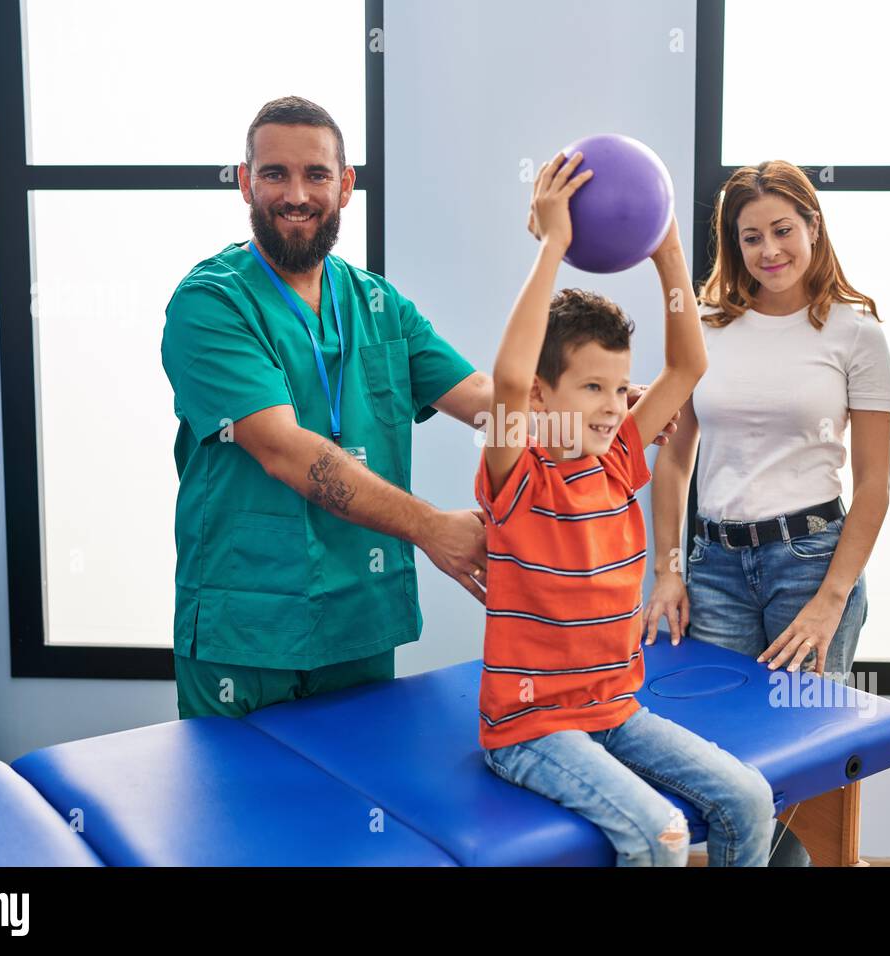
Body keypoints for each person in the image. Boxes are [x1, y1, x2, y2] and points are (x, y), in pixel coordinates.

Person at [161, 97, 676, 720]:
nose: (297, 194)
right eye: (275, 174)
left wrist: (607, 414)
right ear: (246, 182)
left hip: (359, 620)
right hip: (246, 627)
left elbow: (490, 403)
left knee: (363, 807)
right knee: (237, 811)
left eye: (317, 174)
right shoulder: (211, 304)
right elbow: (285, 450)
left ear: (346, 186)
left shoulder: (378, 304)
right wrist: (432, 527)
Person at [475, 152, 775, 867]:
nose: (615, 408)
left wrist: (668, 247)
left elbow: (687, 368)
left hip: (613, 710)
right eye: (591, 389)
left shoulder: (619, 459)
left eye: (619, 389)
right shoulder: (519, 470)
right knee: (661, 835)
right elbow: (511, 376)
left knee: (750, 799)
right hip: (530, 725)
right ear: (545, 398)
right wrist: (552, 244)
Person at [643, 160, 890, 866]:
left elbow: (873, 485)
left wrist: (829, 603)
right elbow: (673, 458)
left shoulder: (855, 333)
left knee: (798, 764)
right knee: (718, 759)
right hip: (715, 565)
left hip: (811, 563)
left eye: (783, 230)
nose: (769, 250)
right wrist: (667, 571)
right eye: (750, 236)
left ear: (814, 227)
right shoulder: (707, 327)